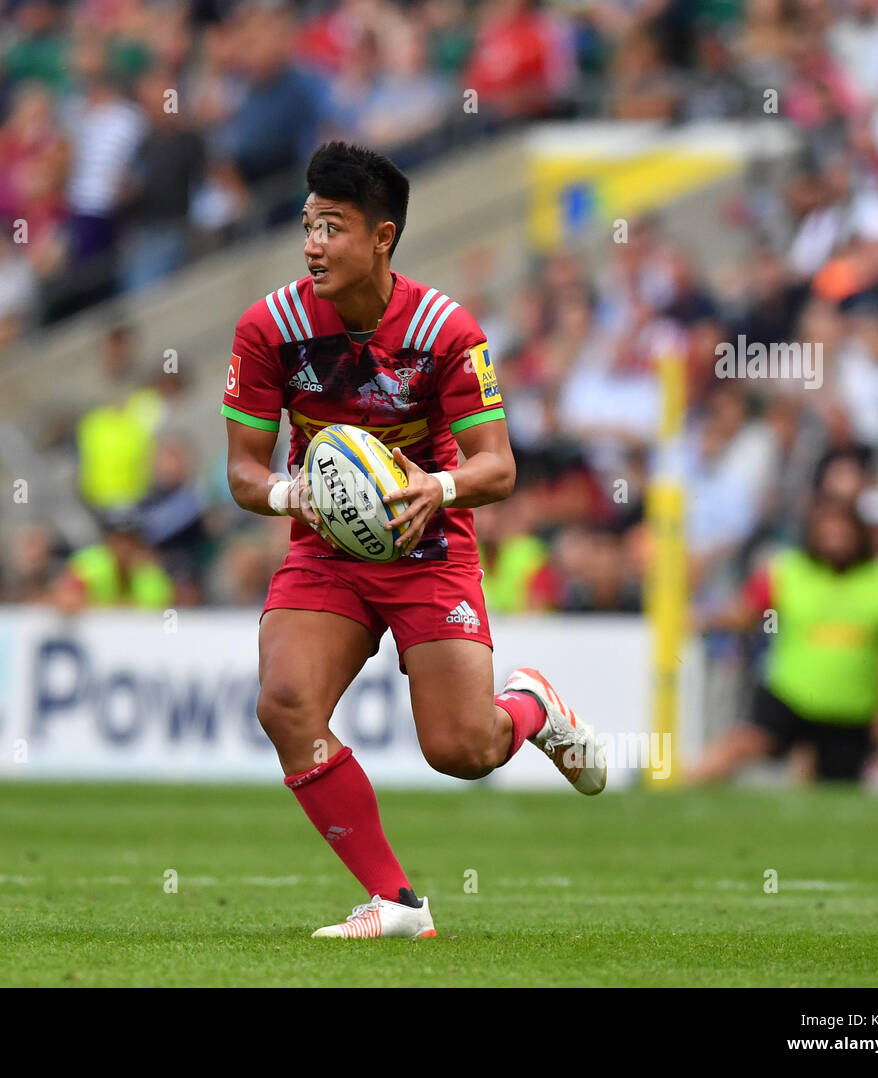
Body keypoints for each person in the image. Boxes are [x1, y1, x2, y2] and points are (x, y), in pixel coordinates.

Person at [222, 142, 606, 941]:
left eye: (332, 227)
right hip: (327, 550)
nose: (313, 245)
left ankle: (531, 708)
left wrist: (440, 486)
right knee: (286, 703)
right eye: (306, 226)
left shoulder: (444, 331)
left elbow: (498, 466)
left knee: (462, 750)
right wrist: (301, 497)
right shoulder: (270, 328)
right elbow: (243, 476)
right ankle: (396, 903)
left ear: (382, 238)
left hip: (428, 545)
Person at [689, 496, 878, 784]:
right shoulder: (787, 571)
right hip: (790, 694)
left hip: (851, 710)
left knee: (834, 787)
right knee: (744, 744)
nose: (836, 538)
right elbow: (743, 614)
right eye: (828, 528)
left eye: (843, 529)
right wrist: (699, 616)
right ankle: (680, 781)